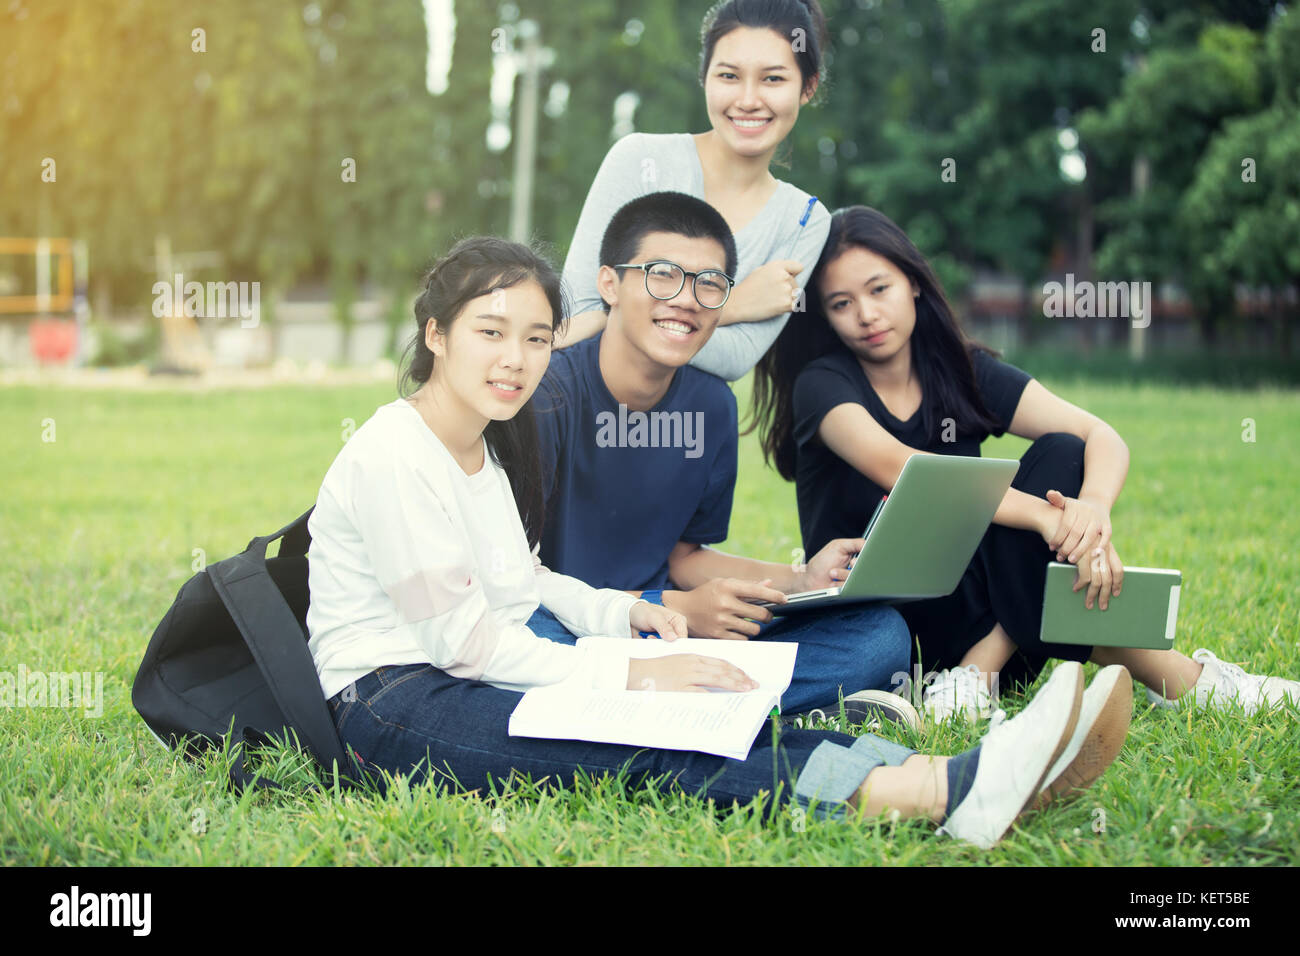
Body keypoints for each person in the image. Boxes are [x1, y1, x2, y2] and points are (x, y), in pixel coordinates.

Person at [303, 234, 1130, 848]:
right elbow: (468, 645)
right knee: (653, 740)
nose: (516, 359)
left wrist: (626, 617)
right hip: (391, 704)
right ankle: (922, 793)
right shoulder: (392, 452)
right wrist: (642, 674)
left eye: (535, 337)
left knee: (703, 712)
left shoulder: (478, 447)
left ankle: (947, 773)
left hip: (467, 670)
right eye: (490, 332)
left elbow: (526, 580)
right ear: (437, 335)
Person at [749, 204, 1300, 721]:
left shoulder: (961, 371)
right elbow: (906, 470)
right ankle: (1193, 682)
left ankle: (978, 673)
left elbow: (1100, 435)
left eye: (879, 289)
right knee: (1042, 566)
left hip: (981, 617)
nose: (866, 315)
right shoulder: (823, 385)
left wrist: (1093, 511)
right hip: (886, 624)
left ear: (913, 282)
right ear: (825, 314)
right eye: (841, 303)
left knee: (1063, 451)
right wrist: (1045, 516)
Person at [535, 190, 914, 726]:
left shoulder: (712, 405)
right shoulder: (547, 395)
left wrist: (801, 579)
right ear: (609, 285)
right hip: (565, 623)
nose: (687, 300)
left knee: (879, 637)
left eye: (709, 284)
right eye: (662, 275)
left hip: (665, 631)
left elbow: (686, 558)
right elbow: (513, 582)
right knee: (523, 629)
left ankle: (676, 699)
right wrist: (674, 608)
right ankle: (745, 704)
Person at [555, 0, 832, 382]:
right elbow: (575, 316)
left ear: (808, 87)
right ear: (705, 78)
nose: (748, 100)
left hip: (692, 425)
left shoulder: (805, 219)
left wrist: (629, 313)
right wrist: (732, 305)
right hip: (582, 400)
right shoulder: (640, 159)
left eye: (773, 79)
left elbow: (735, 358)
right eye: (729, 76)